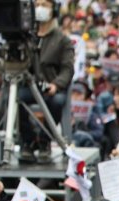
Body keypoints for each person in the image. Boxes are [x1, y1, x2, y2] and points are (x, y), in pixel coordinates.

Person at [19, 0, 73, 163]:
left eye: (45, 5)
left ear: (53, 9)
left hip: (51, 87)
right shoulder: (27, 36)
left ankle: (44, 140)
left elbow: (67, 69)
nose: (40, 8)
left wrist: (56, 84)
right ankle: (28, 140)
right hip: (29, 85)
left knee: (57, 101)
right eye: (37, 4)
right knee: (14, 99)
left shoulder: (62, 40)